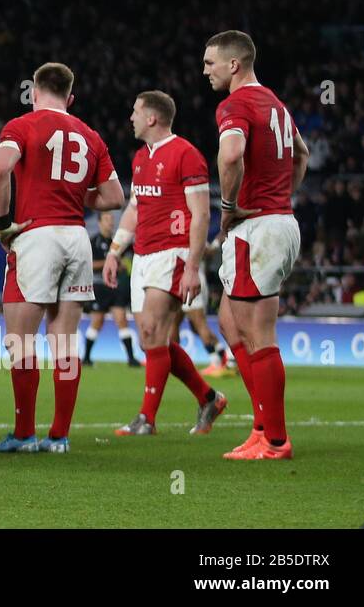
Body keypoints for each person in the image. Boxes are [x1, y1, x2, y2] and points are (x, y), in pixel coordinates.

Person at [0, 62, 123, 455]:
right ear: (71, 98)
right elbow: (114, 197)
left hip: (36, 235)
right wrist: (79, 195)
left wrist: (3, 224)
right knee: (64, 341)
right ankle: (59, 436)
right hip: (77, 237)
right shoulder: (90, 135)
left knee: (20, 340)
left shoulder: (21, 126)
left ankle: (25, 434)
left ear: (34, 92)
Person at [203, 30, 307, 460]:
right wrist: (283, 197)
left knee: (259, 333)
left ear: (234, 65)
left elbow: (231, 155)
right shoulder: (275, 104)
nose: (205, 70)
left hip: (258, 226)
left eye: (210, 63)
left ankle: (276, 440)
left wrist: (228, 205)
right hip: (273, 220)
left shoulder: (236, 104)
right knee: (229, 320)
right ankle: (262, 425)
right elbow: (300, 154)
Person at [103, 90, 228, 436]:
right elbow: (134, 208)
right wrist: (115, 251)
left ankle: (147, 419)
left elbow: (201, 214)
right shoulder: (141, 158)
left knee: (152, 332)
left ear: (152, 118)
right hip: (141, 254)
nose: (131, 118)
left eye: (135, 111)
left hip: (172, 253)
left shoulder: (186, 155)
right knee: (150, 340)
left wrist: (191, 265)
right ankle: (209, 397)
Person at [85, 211, 139, 367]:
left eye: (112, 219)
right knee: (97, 321)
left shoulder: (117, 243)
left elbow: (128, 260)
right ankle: (86, 358)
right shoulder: (93, 241)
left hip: (115, 286)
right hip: (99, 286)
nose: (110, 222)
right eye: (107, 219)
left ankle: (131, 358)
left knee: (121, 319)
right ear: (100, 222)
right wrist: (110, 262)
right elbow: (89, 265)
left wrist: (122, 265)